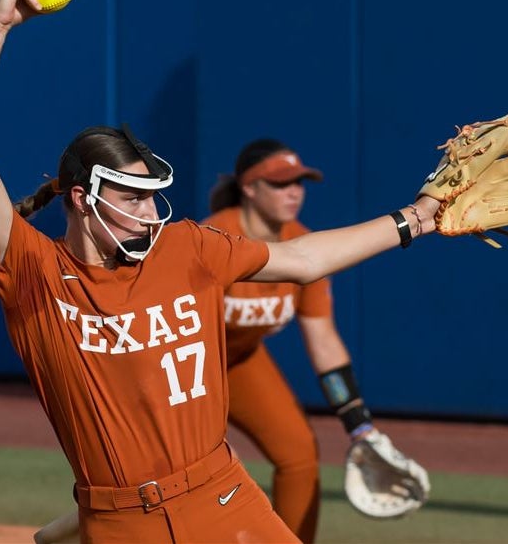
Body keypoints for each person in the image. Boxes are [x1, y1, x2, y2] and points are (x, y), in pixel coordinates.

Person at [0, 0, 440, 543]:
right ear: (84, 199)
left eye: (150, 195)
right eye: (132, 197)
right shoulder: (33, 271)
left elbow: (305, 259)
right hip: (119, 523)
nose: (149, 211)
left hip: (224, 498)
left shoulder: (187, 247)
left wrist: (415, 219)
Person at [33, 139, 419, 544]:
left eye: (300, 184)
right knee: (161, 459)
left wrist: (358, 425)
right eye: (280, 183)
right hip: (171, 358)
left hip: (240, 363)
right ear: (250, 188)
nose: (293, 193)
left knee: (299, 451)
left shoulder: (301, 239)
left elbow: (323, 340)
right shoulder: (216, 234)